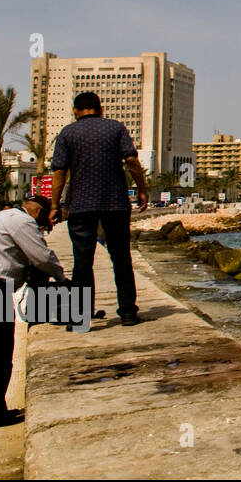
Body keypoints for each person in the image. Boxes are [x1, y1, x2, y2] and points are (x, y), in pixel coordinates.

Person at [49, 92, 148, 326]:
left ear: (75, 110)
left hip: (81, 205)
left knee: (82, 261)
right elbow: (132, 161)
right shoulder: (115, 128)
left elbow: (59, 173)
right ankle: (127, 313)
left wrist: (55, 205)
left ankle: (81, 318)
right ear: (100, 108)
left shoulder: (67, 133)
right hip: (115, 203)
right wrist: (142, 188)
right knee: (121, 258)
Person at [0, 195, 67, 426]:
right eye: (50, 217)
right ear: (39, 211)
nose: (49, 224)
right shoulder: (22, 222)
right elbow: (42, 257)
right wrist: (61, 278)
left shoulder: (3, 216)